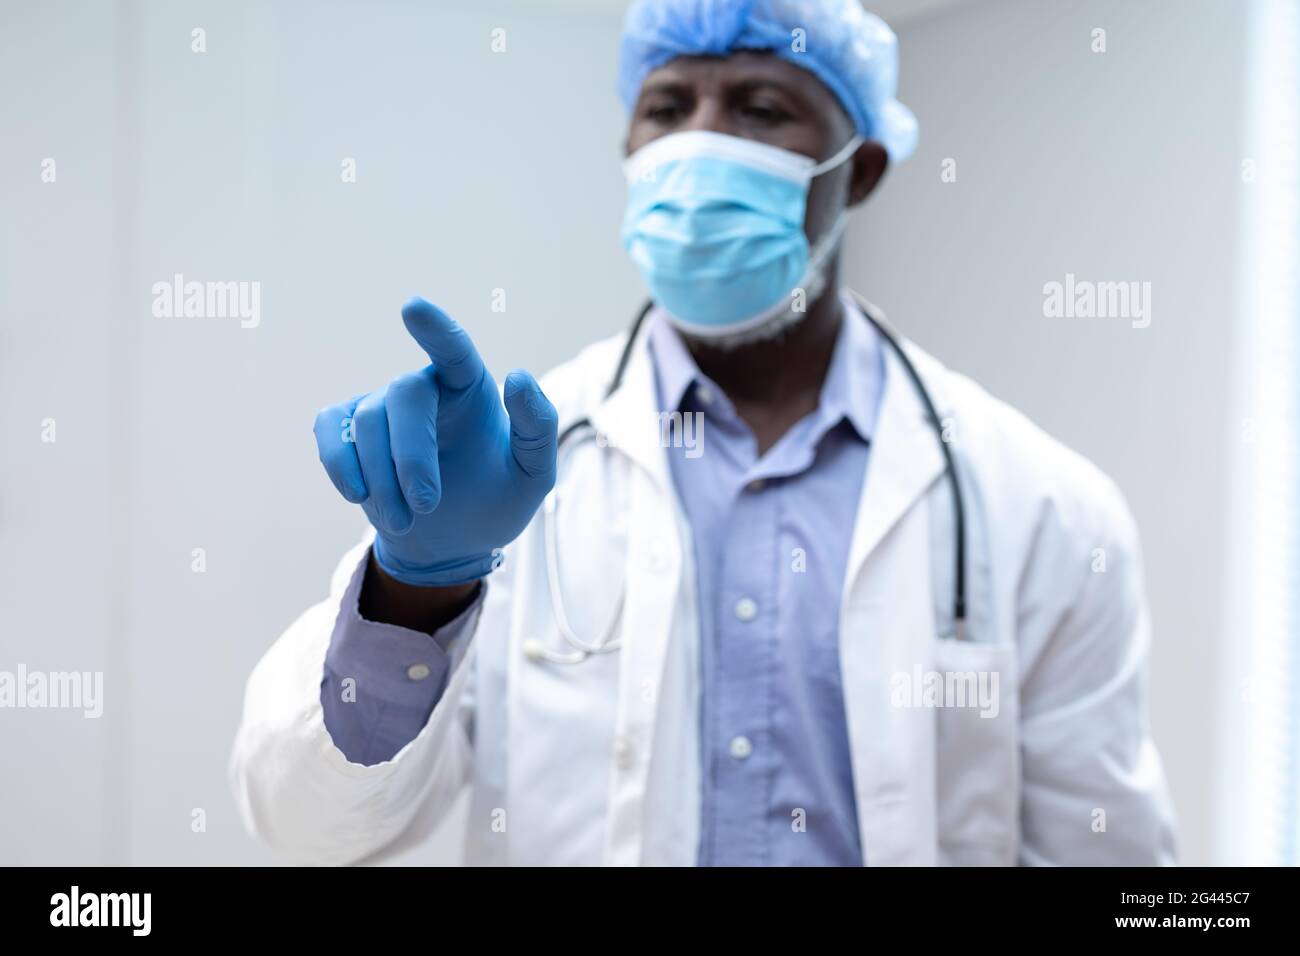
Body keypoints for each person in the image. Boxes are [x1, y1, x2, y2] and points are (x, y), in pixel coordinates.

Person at [230, 0, 1177, 866]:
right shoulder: (518, 469)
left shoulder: (1042, 506)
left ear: (862, 171)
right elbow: (309, 828)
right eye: (668, 107)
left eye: (762, 109)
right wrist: (413, 593)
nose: (700, 144)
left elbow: (1109, 859)